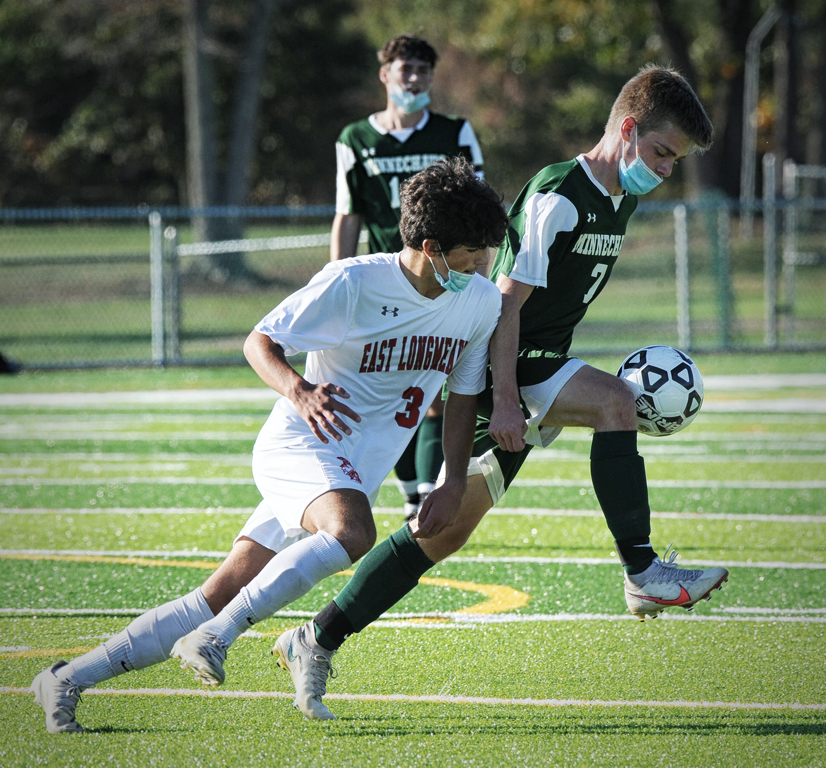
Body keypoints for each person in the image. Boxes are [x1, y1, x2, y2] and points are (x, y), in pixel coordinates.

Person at [275, 65, 731, 720]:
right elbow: (506, 305)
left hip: (532, 367)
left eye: (674, 161)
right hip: (502, 366)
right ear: (628, 129)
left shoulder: (619, 198)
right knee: (616, 402)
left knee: (441, 533)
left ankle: (313, 639)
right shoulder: (559, 194)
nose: (664, 170)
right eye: (661, 152)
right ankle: (642, 572)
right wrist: (510, 398)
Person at [29, 156, 509, 733]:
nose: (483, 263)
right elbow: (259, 342)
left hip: (353, 468)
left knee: (217, 592)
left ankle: (66, 678)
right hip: (300, 445)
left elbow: (462, 396)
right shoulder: (354, 282)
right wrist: (300, 391)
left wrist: (452, 480)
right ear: (431, 247)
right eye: (473, 251)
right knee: (352, 533)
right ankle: (218, 637)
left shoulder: (479, 301)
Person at [332, 34, 486, 519]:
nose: (415, 78)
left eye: (423, 70)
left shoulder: (455, 132)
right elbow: (348, 215)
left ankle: (422, 497)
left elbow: (479, 212)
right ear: (385, 74)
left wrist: (479, 275)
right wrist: (336, 279)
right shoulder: (356, 139)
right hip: (383, 282)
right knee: (386, 391)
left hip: (441, 280)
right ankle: (410, 492)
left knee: (434, 388)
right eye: (406, 68)